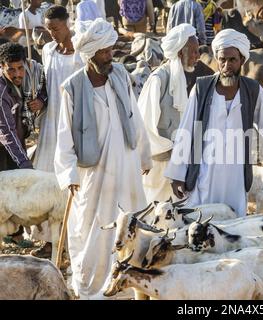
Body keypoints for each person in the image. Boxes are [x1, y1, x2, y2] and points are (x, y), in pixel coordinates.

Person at [54, 18, 152, 299]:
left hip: (127, 166)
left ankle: (130, 285)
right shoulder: (72, 88)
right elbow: (65, 137)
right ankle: (95, 287)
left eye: (110, 50)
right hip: (94, 175)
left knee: (130, 224)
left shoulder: (120, 75)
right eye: (103, 52)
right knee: (93, 231)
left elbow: (136, 116)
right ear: (90, 54)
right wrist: (69, 175)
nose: (109, 56)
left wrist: (143, 156)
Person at [165, 29, 263, 217]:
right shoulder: (202, 88)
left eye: (232, 60)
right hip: (205, 172)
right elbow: (186, 131)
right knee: (202, 225)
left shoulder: (252, 91)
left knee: (233, 227)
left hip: (235, 176)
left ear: (242, 60)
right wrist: (178, 175)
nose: (227, 65)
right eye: (222, 60)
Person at [29, 5, 84, 259]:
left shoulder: (82, 53)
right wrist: (40, 100)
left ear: (67, 23)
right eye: (48, 28)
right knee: (46, 179)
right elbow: (45, 86)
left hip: (74, 126)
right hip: (51, 125)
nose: (51, 33)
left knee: (72, 182)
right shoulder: (48, 50)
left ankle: (72, 241)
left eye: (55, 28)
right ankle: (49, 242)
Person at [138, 23, 199, 203]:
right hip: (158, 166)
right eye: (194, 51)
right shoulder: (158, 80)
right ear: (181, 52)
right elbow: (144, 125)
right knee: (154, 215)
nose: (197, 56)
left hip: (177, 163)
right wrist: (172, 150)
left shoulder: (180, 79)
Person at [0, 42, 35, 172]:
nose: (17, 74)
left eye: (20, 68)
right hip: (4, 149)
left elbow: (43, 88)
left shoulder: (29, 77)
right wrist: (24, 162)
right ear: (2, 66)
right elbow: (6, 131)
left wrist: (41, 100)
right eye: (11, 69)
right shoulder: (1, 92)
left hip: (16, 145)